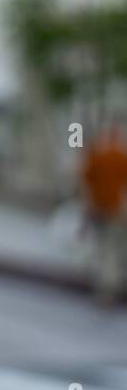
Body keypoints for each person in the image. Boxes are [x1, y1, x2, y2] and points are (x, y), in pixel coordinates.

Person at [79, 124, 127, 304]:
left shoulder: (95, 155)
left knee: (101, 247)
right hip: (116, 210)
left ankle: (103, 286)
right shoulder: (122, 156)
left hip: (98, 209)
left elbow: (86, 185)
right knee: (112, 248)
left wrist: (87, 209)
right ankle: (109, 287)